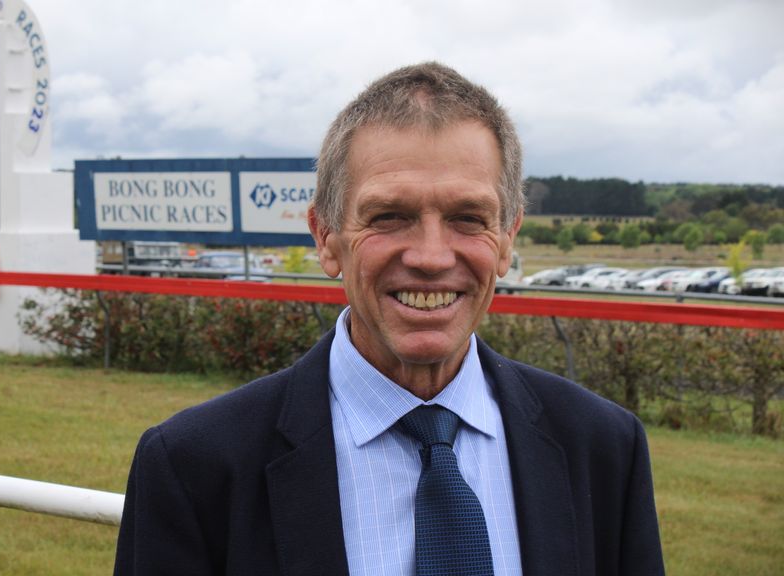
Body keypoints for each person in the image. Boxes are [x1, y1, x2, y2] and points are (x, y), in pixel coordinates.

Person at [115, 62, 664, 576]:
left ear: (507, 238)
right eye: (390, 217)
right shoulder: (194, 465)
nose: (430, 256)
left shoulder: (603, 449)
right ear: (326, 237)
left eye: (467, 218)